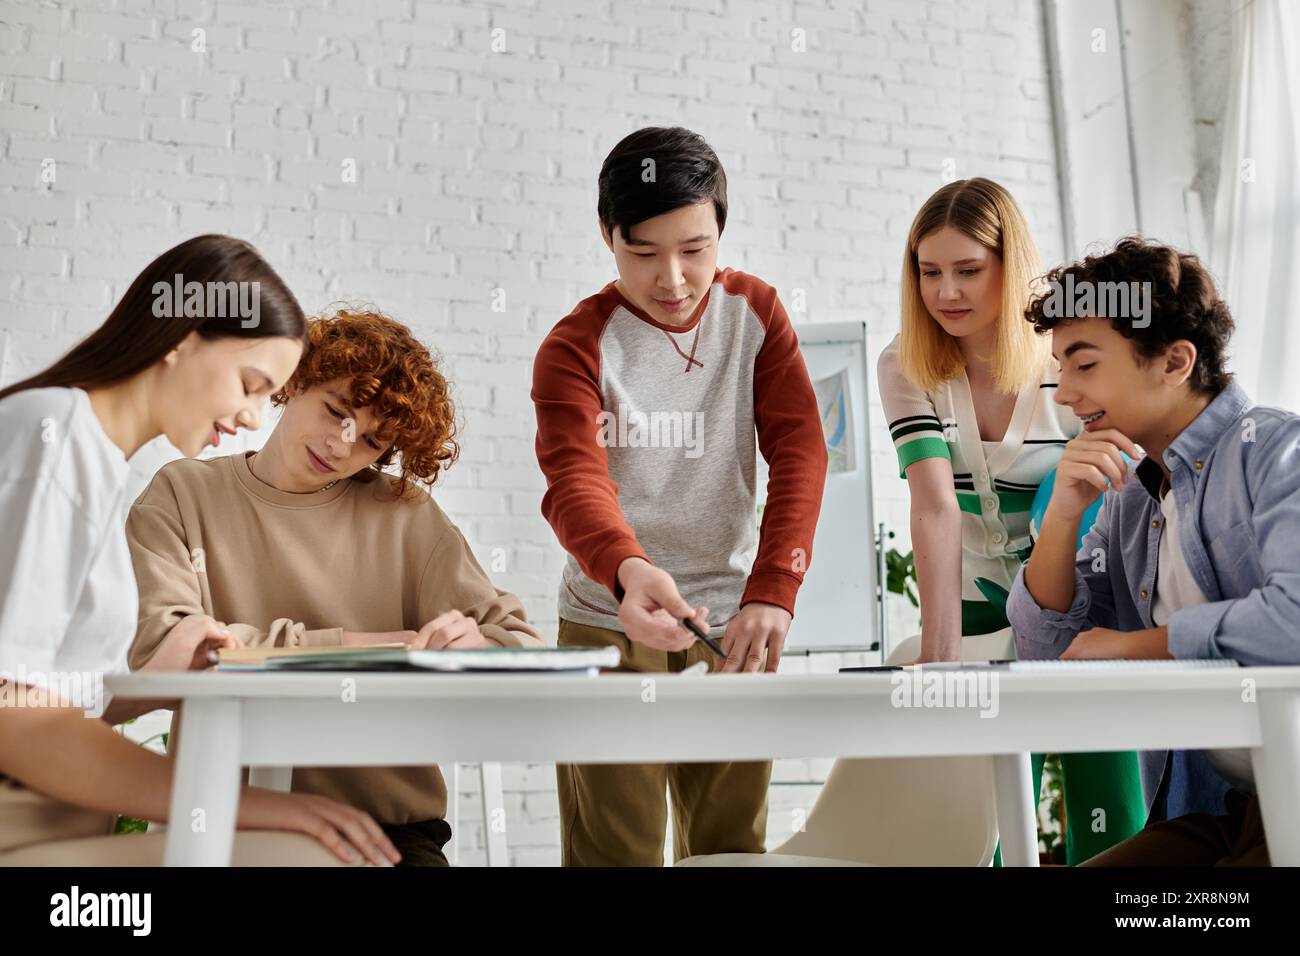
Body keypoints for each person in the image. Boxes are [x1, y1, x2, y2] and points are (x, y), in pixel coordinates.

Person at [0, 235, 399, 866]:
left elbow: (38, 693)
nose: (249, 418)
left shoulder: (97, 460)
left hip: (61, 827)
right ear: (181, 336)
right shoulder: (57, 440)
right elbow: (12, 718)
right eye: (249, 384)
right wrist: (245, 803)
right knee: (312, 856)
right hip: (20, 831)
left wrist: (152, 684)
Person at [127, 306, 543, 867]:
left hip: (386, 833)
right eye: (336, 412)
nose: (342, 446)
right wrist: (369, 646)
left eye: (371, 442)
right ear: (295, 380)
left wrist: (474, 651)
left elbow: (522, 645)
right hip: (224, 823)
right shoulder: (183, 493)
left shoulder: (405, 514)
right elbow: (165, 646)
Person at [532, 126, 828, 865]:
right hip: (607, 618)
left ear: (720, 229)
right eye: (644, 254)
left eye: (695, 250)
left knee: (729, 849)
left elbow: (800, 452)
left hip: (732, 626)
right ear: (607, 237)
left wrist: (775, 590)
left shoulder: (755, 314)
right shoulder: (574, 346)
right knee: (614, 852)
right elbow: (575, 482)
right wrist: (630, 573)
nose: (672, 278)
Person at [1008, 236, 1300, 865]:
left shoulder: (1278, 453)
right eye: (1061, 371)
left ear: (1174, 361)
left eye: (1084, 366)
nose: (1063, 394)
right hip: (1218, 811)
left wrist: (1137, 647)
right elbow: (1051, 651)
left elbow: (1295, 615)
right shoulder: (1131, 501)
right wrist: (1061, 513)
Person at [877, 179, 1145, 864]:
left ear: (1010, 264)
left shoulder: (1069, 357)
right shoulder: (907, 365)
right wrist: (939, 665)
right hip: (971, 605)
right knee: (982, 826)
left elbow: (1125, 486)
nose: (947, 293)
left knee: (1111, 813)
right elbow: (935, 504)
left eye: (969, 270)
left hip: (1083, 602)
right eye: (929, 272)